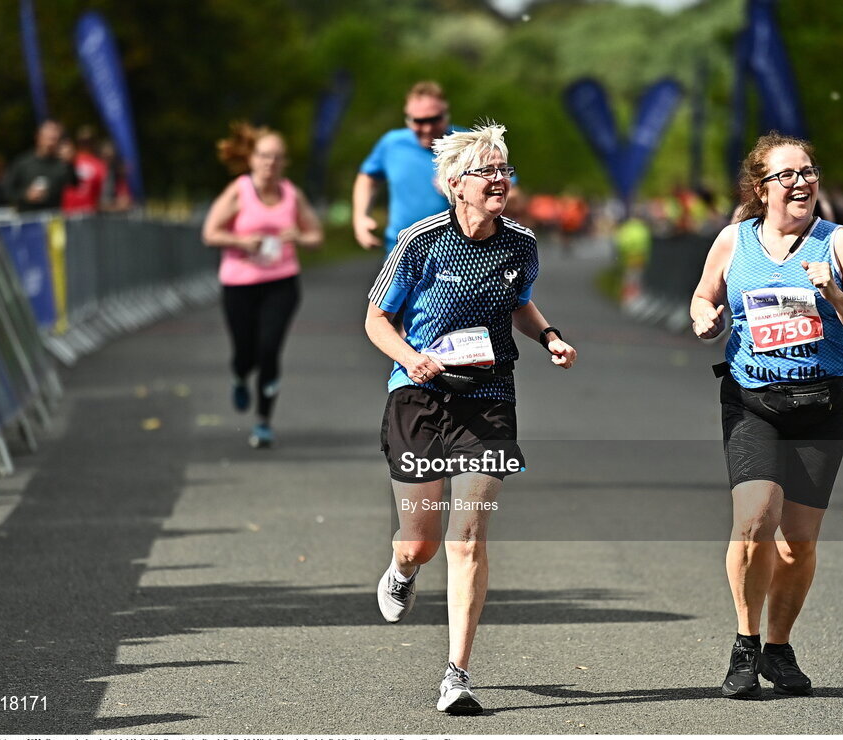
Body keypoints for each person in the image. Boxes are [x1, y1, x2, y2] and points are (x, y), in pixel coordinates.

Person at [365, 123, 577, 715]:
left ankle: (456, 675)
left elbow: (519, 303)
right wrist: (413, 358)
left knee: (469, 535)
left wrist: (550, 337)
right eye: (486, 171)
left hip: (488, 398)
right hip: (420, 395)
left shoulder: (520, 244)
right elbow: (376, 321)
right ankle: (401, 571)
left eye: (503, 170)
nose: (499, 180)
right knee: (421, 541)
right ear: (455, 184)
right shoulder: (420, 240)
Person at [691, 132, 843, 699]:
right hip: (753, 399)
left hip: (822, 403)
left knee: (798, 542)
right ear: (762, 187)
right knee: (755, 519)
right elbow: (705, 296)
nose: (801, 182)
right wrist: (706, 317)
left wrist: (835, 295)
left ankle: (778, 647)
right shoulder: (734, 240)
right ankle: (745, 644)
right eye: (787, 175)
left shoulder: (839, 242)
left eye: (808, 172)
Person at [202, 123, 322, 448]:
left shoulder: (291, 194)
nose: (270, 163)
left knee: (269, 349)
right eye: (264, 156)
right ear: (252, 159)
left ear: (284, 163)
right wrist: (242, 241)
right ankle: (240, 376)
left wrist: (299, 236)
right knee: (246, 352)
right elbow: (210, 232)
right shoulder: (238, 191)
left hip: (281, 283)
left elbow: (315, 236)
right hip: (239, 284)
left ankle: (263, 422)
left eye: (277, 158)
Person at [352, 81, 459, 255]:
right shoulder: (392, 143)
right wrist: (360, 218)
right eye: (419, 121)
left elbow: (507, 193)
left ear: (446, 115)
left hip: (458, 254)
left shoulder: (469, 143)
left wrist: (466, 186)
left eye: (434, 119)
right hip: (402, 251)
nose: (427, 128)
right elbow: (367, 178)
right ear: (408, 120)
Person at [4, 120, 77, 212]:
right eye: (48, 138)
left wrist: (71, 164)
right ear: (38, 137)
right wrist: (25, 195)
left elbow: (75, 185)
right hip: (28, 219)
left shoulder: (62, 164)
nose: (51, 143)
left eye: (55, 139)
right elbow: (6, 190)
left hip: (54, 218)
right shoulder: (23, 163)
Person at [61, 125, 107, 214]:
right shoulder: (71, 159)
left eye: (89, 141)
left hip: (89, 214)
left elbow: (102, 192)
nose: (86, 144)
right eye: (83, 141)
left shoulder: (100, 165)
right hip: (68, 213)